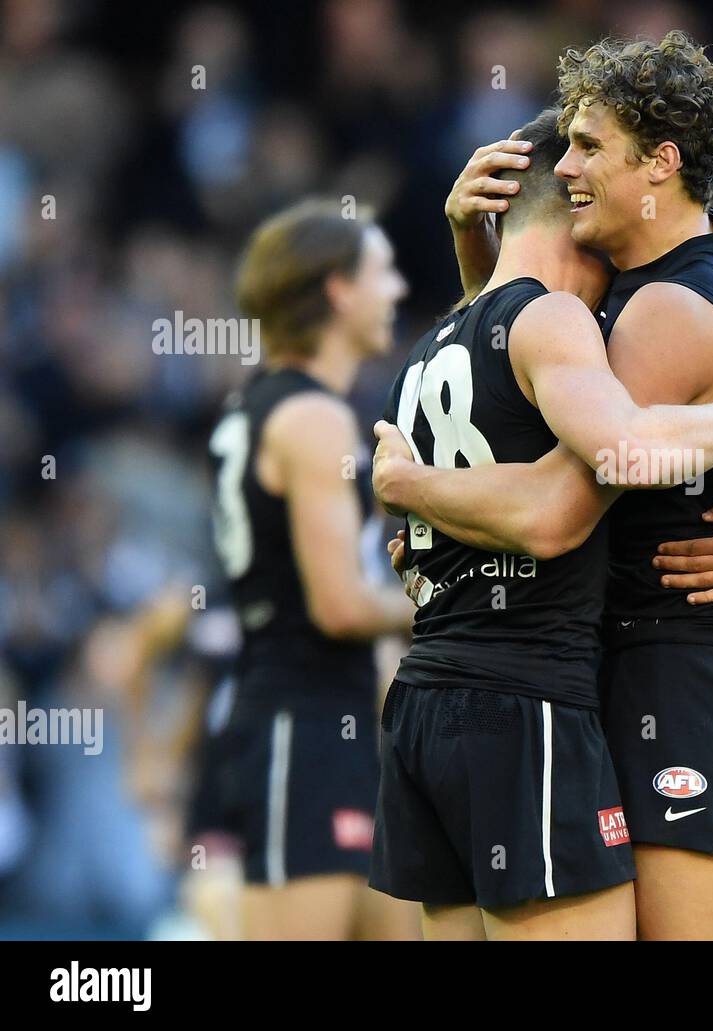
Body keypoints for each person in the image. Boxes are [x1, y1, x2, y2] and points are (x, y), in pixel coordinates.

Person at [375, 32, 713, 939]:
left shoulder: (664, 308)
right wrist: (477, 246)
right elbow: (527, 372)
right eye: (566, 149)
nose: (569, 166)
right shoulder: (652, 288)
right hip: (620, 671)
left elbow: (568, 493)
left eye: (589, 147)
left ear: (659, 164)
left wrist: (417, 486)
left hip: (701, 666)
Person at [209, 199, 419, 940]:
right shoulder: (314, 419)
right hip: (304, 720)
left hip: (324, 718)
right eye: (383, 272)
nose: (397, 289)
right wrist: (448, 606)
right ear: (337, 289)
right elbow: (339, 606)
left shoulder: (266, 405)